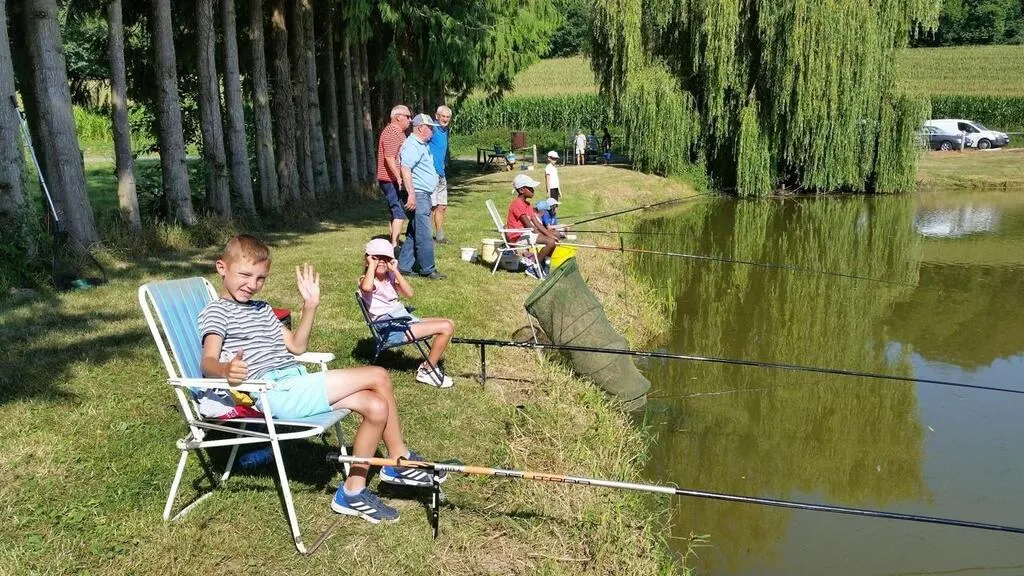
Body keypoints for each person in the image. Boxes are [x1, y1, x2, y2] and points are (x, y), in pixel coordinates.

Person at [199, 234, 446, 524]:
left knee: (376, 406)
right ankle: (399, 461)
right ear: (221, 268)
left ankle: (352, 492)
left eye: (260, 278)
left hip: (295, 381)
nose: (252, 284)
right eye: (245, 275)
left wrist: (310, 307)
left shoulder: (263, 309)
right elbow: (207, 362)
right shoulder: (216, 311)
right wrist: (226, 371)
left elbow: (297, 347)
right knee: (378, 374)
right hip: (274, 392)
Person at [359, 238, 455, 388]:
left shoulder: (390, 278)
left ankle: (429, 365)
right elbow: (366, 288)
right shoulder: (367, 281)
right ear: (368, 260)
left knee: (449, 322)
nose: (381, 262)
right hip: (390, 329)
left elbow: (409, 293)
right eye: (376, 258)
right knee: (445, 328)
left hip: (402, 320)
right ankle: (427, 371)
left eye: (386, 258)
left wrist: (395, 271)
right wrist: (371, 266)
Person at [398, 113, 446, 280]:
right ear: (420, 128)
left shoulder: (421, 144)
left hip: (422, 193)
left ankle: (403, 265)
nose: (432, 131)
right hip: (418, 194)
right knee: (424, 234)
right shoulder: (412, 145)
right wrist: (411, 194)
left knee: (414, 230)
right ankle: (428, 269)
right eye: (430, 128)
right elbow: (405, 168)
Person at [506, 174, 560, 277]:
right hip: (518, 236)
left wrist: (549, 233)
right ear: (522, 190)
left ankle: (545, 265)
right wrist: (547, 236)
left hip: (526, 233)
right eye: (530, 188)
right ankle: (533, 267)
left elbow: (536, 222)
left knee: (556, 235)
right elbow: (530, 226)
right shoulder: (517, 204)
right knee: (550, 241)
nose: (533, 190)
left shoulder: (527, 204)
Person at [376, 105, 412, 248]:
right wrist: (399, 177)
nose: (410, 120)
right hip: (390, 179)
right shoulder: (391, 132)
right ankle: (395, 246)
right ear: (398, 117)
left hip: (392, 178)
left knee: (395, 210)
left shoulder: (399, 132)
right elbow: (390, 157)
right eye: (407, 116)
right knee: (399, 212)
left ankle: (393, 240)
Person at [429, 105, 451, 245]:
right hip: (431, 173)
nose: (445, 119)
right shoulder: (432, 128)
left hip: (441, 173)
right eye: (442, 116)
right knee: (431, 206)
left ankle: (440, 236)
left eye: (447, 117)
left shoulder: (445, 130)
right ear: (437, 116)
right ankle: (426, 236)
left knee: (442, 205)